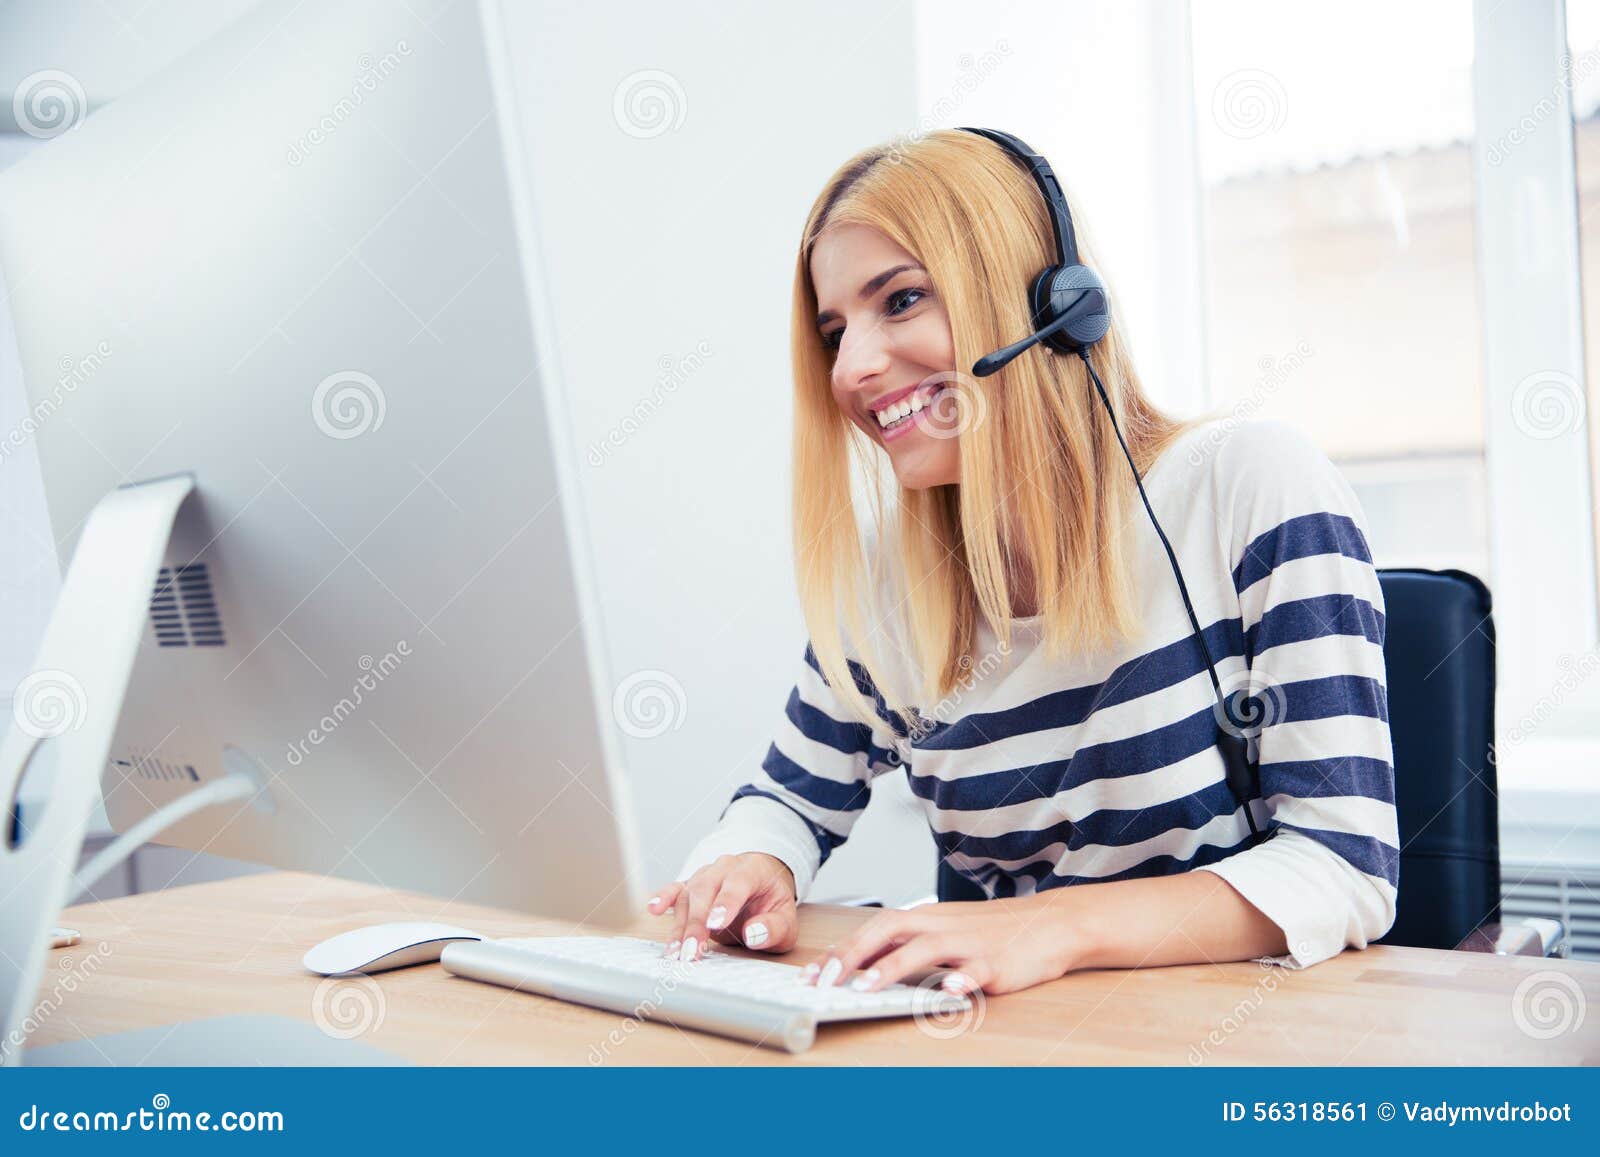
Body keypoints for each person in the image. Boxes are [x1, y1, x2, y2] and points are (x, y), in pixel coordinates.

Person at [647, 128, 1398, 997]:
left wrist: (1052, 927)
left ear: (1051, 305)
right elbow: (786, 800)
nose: (851, 367)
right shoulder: (888, 583)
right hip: (1015, 1046)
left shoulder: (1245, 487)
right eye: (833, 330)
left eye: (900, 301)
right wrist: (750, 862)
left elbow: (1343, 865)